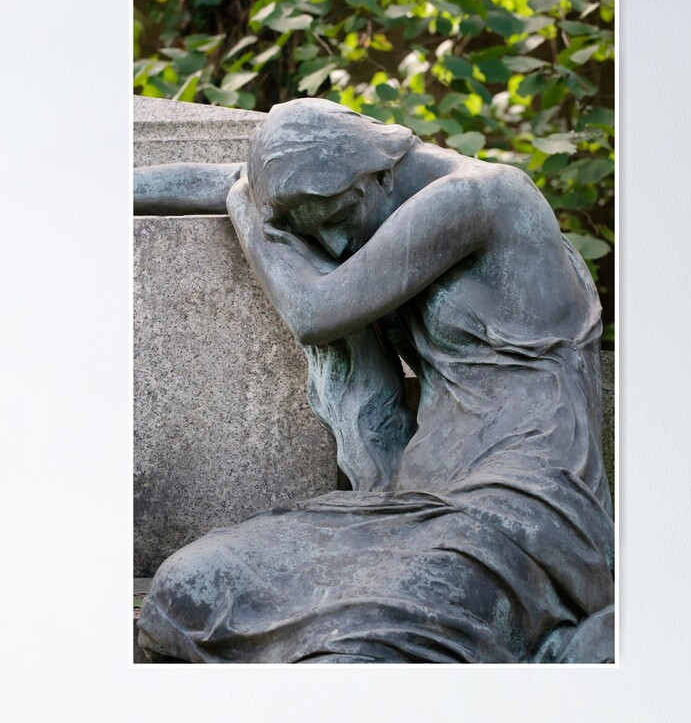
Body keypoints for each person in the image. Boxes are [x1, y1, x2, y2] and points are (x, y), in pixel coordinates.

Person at [136, 97, 614, 663]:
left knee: (359, 651)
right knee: (188, 587)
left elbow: (316, 311)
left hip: (526, 513)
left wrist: (250, 215)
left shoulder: (483, 198)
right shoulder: (364, 183)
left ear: (382, 170)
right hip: (412, 509)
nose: (337, 247)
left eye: (340, 218)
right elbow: (221, 180)